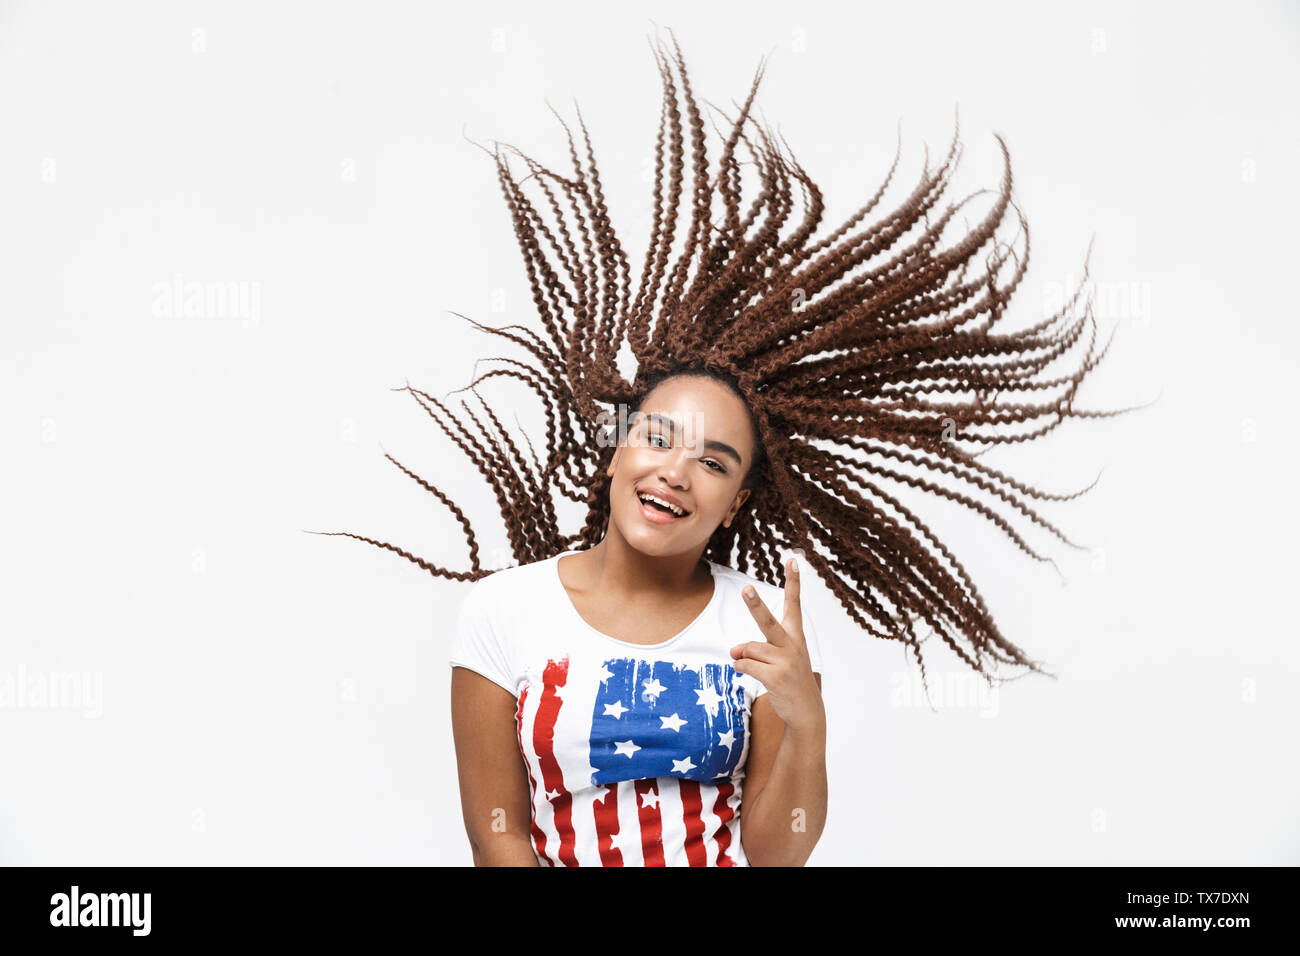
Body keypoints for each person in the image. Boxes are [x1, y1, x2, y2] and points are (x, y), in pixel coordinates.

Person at [310, 27, 1138, 865]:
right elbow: (498, 842)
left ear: (737, 501)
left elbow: (777, 855)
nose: (676, 472)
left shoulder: (760, 628)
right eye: (658, 438)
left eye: (713, 462)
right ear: (616, 448)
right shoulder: (503, 613)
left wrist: (806, 720)